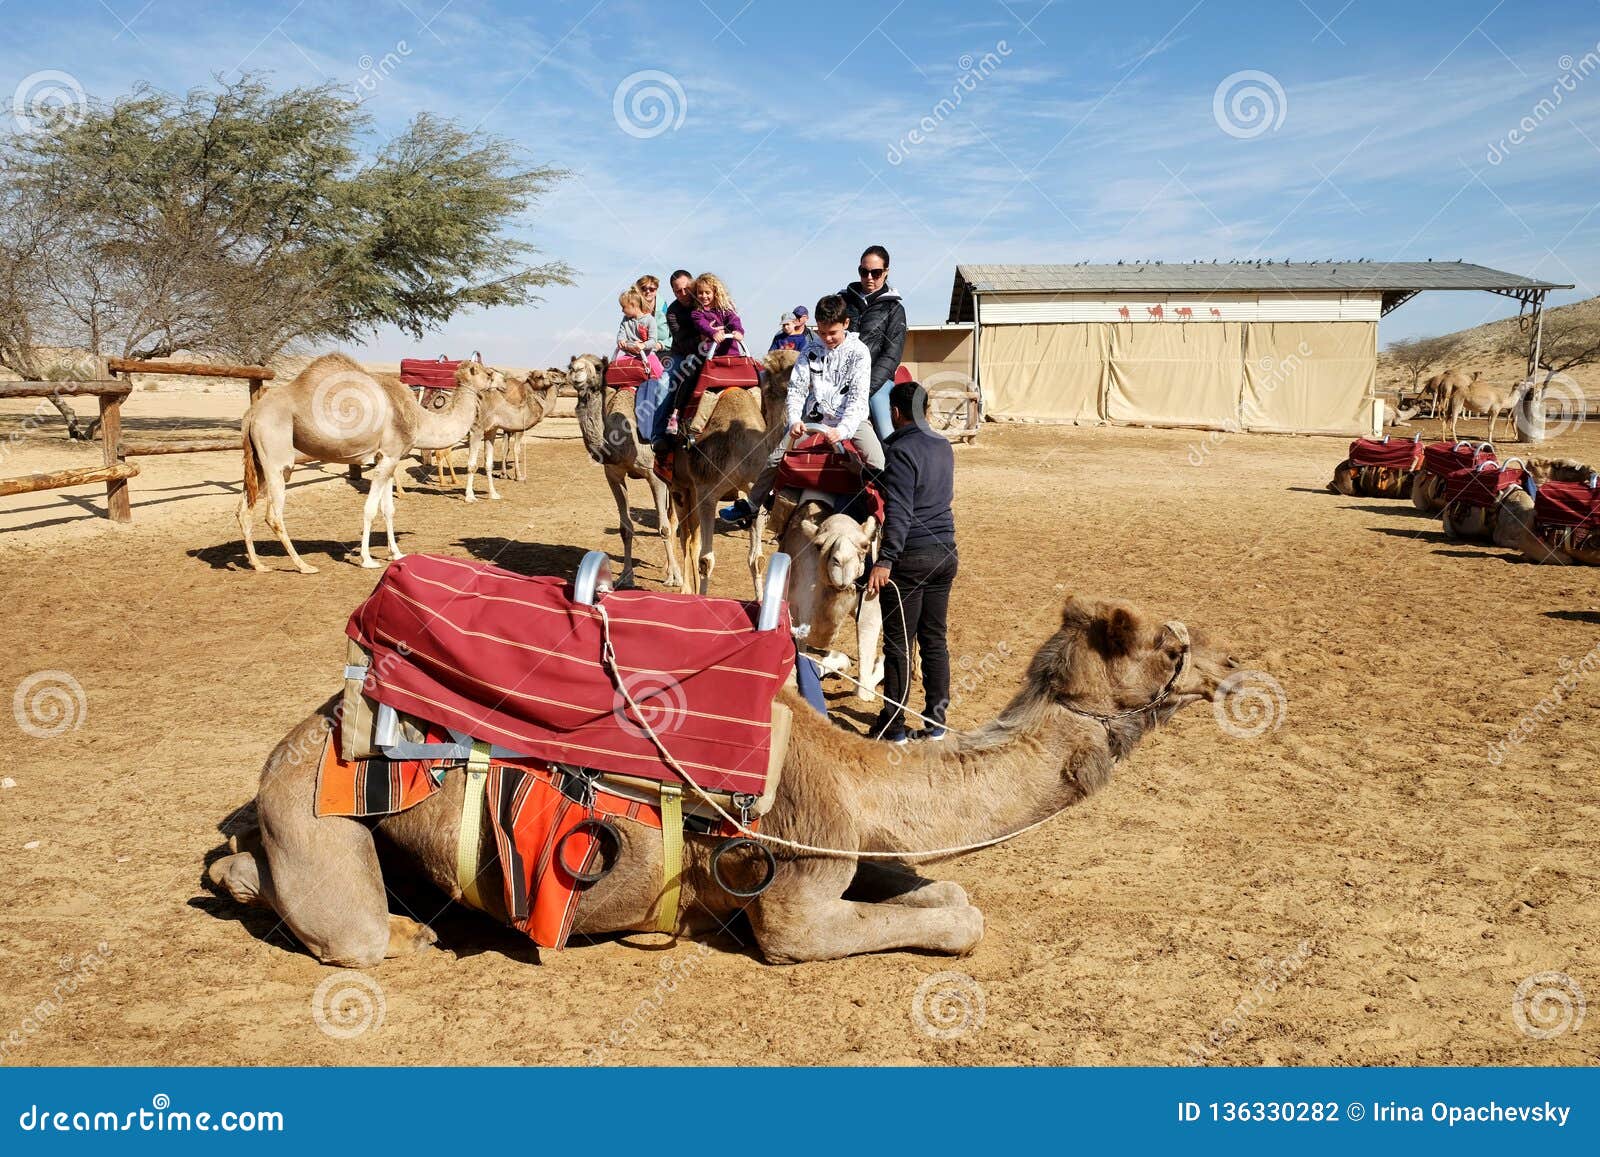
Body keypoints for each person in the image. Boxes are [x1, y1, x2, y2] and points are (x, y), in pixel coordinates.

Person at [723, 294, 883, 526]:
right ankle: (753, 504)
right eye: (822, 332)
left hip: (851, 420)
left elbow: (858, 399)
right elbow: (797, 389)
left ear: (846, 324)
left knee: (878, 461)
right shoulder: (809, 350)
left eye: (833, 333)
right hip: (813, 419)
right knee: (775, 458)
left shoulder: (859, 352)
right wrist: (795, 420)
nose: (827, 338)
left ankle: (886, 515)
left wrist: (843, 429)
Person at [866, 380, 956, 744]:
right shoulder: (943, 445)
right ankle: (936, 723)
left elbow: (901, 510)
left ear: (897, 413)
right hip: (945, 552)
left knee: (899, 644)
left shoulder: (901, 451)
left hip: (910, 559)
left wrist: (885, 559)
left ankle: (895, 727)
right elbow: (921, 491)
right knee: (934, 639)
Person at [839, 244, 907, 440]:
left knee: (885, 431)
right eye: (864, 271)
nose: (869, 277)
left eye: (876, 272)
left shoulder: (895, 310)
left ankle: (891, 464)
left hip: (875, 382)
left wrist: (864, 388)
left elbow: (891, 355)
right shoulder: (842, 301)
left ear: (886, 272)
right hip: (839, 378)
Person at [657, 269, 700, 445]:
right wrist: (702, 339)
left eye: (686, 288)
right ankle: (659, 435)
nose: (683, 293)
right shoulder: (673, 312)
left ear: (693, 284)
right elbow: (683, 343)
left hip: (713, 352)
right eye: (678, 290)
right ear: (673, 291)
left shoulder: (705, 300)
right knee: (664, 384)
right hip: (682, 354)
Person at [615, 288, 666, 438]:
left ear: (633, 305)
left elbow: (653, 340)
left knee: (660, 382)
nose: (622, 310)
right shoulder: (625, 321)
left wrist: (643, 345)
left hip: (647, 357)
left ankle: (657, 421)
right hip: (630, 357)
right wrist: (621, 342)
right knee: (614, 374)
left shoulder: (649, 320)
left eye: (623, 307)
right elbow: (620, 335)